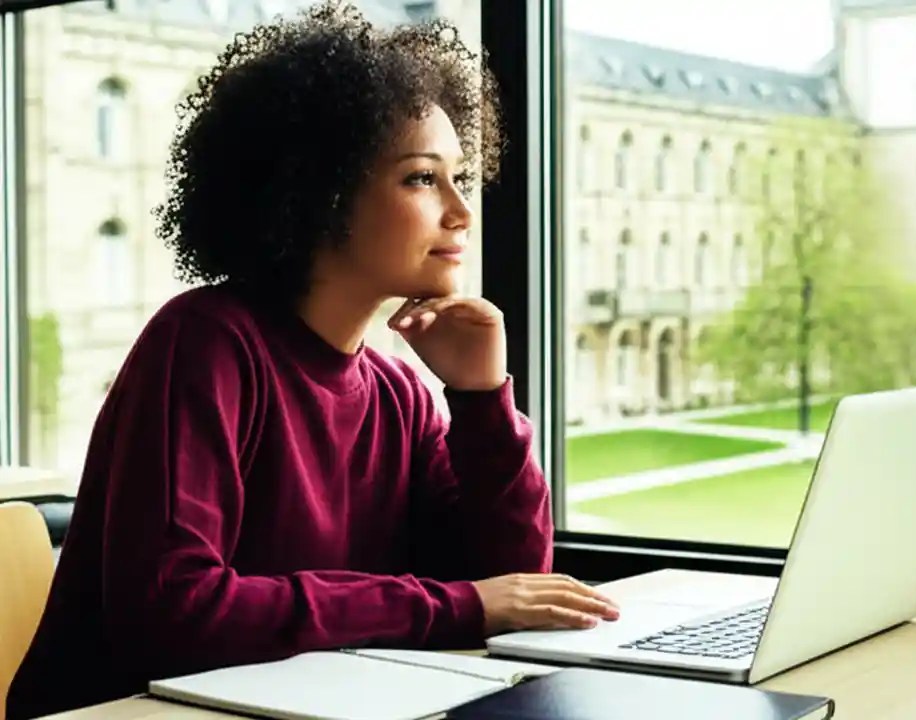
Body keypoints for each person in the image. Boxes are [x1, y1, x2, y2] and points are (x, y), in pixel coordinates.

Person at [6, 3, 619, 717]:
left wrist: (482, 400)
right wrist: (452, 606)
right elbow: (174, 612)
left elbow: (510, 585)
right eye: (423, 178)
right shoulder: (205, 344)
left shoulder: (400, 393)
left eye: (461, 178)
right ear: (320, 194)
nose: (462, 212)